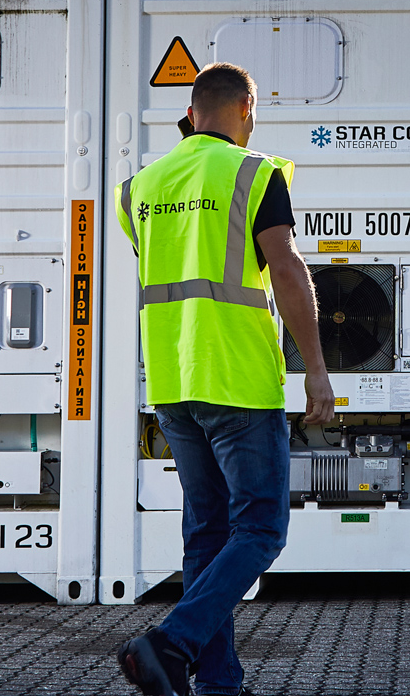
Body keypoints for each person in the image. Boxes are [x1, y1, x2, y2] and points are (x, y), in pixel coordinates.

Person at [112, 62, 335, 696]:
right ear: (245, 108)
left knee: (207, 535)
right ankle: (169, 643)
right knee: (261, 530)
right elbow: (286, 270)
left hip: (172, 383)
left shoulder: (140, 188)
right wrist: (316, 370)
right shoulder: (254, 172)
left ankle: (216, 684)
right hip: (236, 377)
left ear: (192, 111)